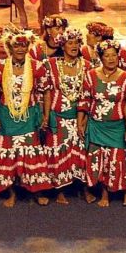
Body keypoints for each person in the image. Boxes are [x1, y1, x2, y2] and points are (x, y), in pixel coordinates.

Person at [0, 29, 53, 206]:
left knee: (31, 152)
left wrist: (45, 116)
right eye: (16, 45)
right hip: (6, 118)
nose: (20, 49)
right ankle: (11, 193)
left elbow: (45, 92)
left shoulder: (36, 66)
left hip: (29, 117)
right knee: (8, 154)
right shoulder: (0, 67)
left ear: (28, 47)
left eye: (23, 45)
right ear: (10, 47)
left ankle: (36, 192)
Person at [77, 40, 126, 207]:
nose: (111, 59)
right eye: (107, 55)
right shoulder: (90, 75)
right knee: (100, 160)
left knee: (118, 159)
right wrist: (80, 123)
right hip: (96, 125)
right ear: (100, 57)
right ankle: (104, 193)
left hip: (117, 126)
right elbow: (84, 101)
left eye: (114, 55)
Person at [41, 29, 93, 203]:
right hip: (58, 117)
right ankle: (59, 190)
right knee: (57, 152)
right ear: (62, 45)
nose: (73, 46)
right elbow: (46, 93)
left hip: (79, 116)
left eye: (76, 43)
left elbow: (89, 94)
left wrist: (84, 119)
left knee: (81, 151)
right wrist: (46, 116)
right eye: (69, 43)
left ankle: (84, 188)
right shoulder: (50, 64)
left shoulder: (87, 65)